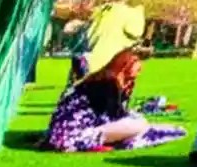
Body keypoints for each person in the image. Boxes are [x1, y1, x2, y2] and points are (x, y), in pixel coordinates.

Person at [42, 49, 186, 152]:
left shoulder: (95, 80)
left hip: (58, 135)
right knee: (139, 124)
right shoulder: (108, 85)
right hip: (73, 138)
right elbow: (112, 116)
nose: (136, 75)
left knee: (136, 120)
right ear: (123, 67)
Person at [86, 2, 145, 74]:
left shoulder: (104, 11)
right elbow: (135, 32)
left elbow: (90, 32)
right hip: (114, 53)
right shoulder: (129, 12)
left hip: (95, 52)